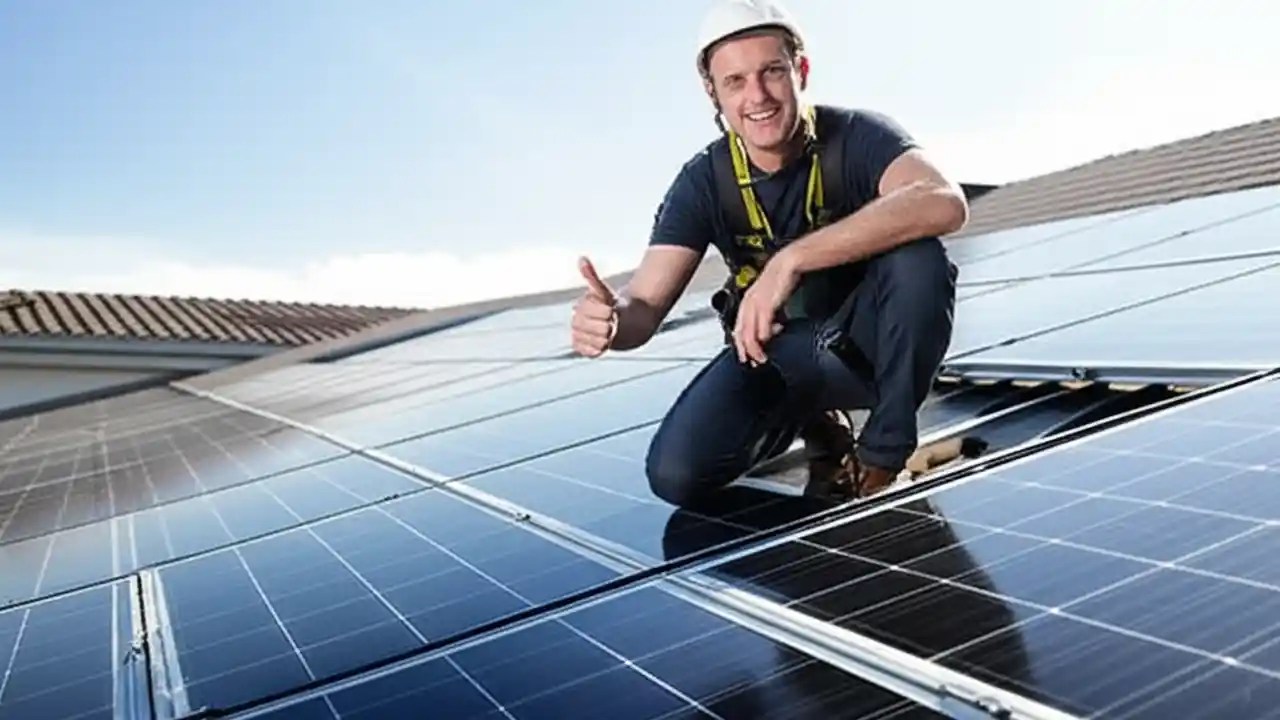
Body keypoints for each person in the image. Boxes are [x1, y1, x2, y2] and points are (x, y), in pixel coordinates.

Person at [570, 0, 965, 507]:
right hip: (777, 360)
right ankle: (811, 423)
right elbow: (643, 307)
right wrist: (609, 323)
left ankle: (881, 455)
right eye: (735, 82)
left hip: (863, 349)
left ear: (800, 71)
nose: (757, 96)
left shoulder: (858, 137)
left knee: (919, 260)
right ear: (712, 92)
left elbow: (943, 201)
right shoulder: (703, 183)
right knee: (676, 475)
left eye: (772, 72)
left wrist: (789, 262)